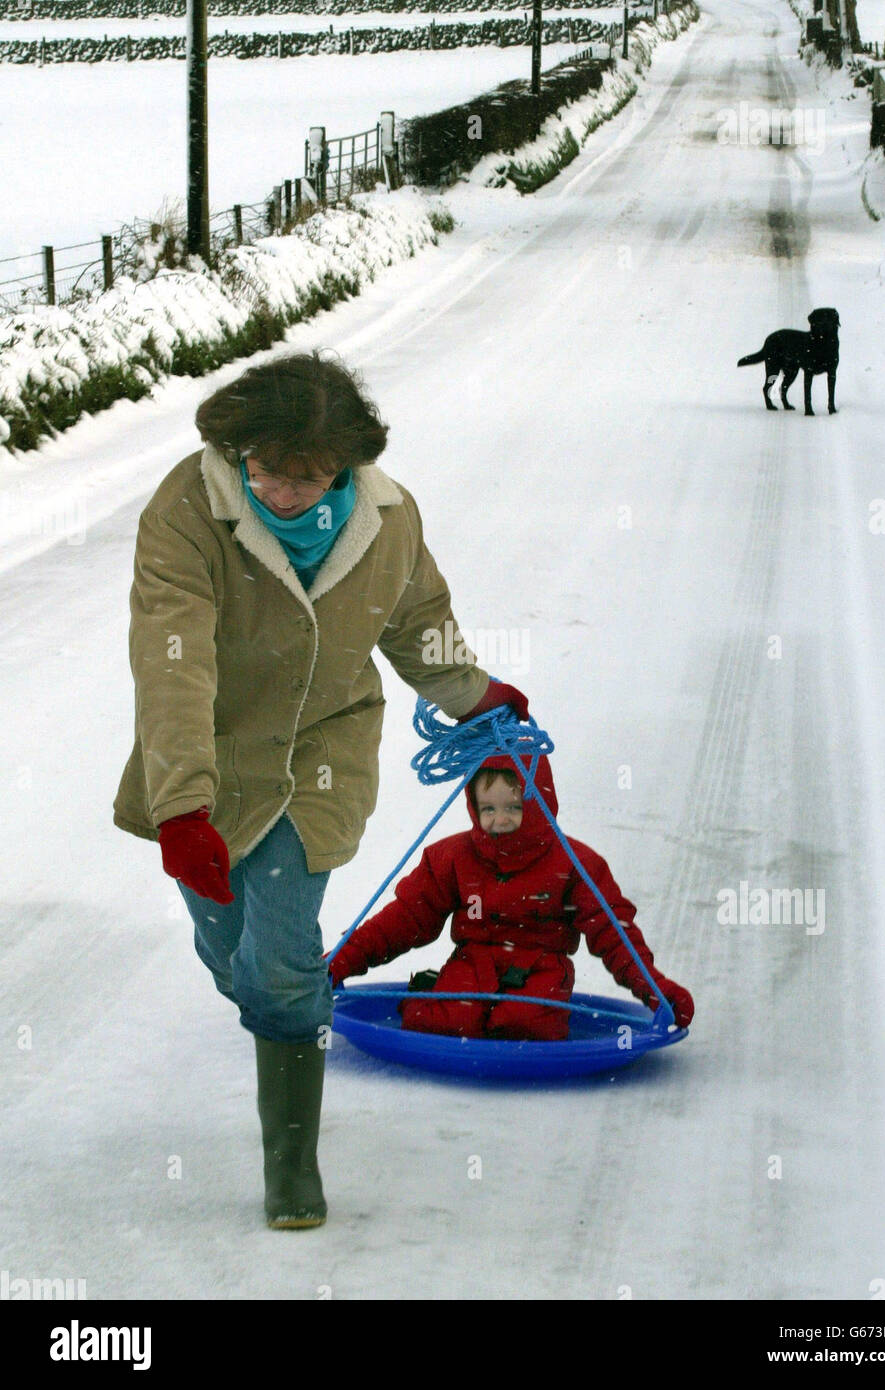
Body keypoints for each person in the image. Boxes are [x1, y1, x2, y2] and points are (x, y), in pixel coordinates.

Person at [112, 350, 528, 1229]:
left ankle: (291, 1165)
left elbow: (419, 626)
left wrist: (476, 698)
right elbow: (170, 659)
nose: (283, 494)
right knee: (232, 954)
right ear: (237, 452)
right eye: (263, 473)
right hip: (213, 749)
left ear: (344, 464)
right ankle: (279, 1006)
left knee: (285, 944)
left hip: (324, 753)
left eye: (306, 479)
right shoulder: (188, 510)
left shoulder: (388, 516)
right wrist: (182, 804)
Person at [328, 751, 694, 1039]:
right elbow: (404, 919)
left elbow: (614, 934)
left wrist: (655, 989)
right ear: (473, 805)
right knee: (439, 1021)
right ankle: (436, 1000)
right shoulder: (453, 857)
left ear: (537, 805)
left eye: (513, 808)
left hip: (542, 967)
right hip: (474, 964)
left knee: (529, 1022)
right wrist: (340, 961)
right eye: (488, 808)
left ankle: (504, 1024)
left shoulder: (575, 863)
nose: (499, 820)